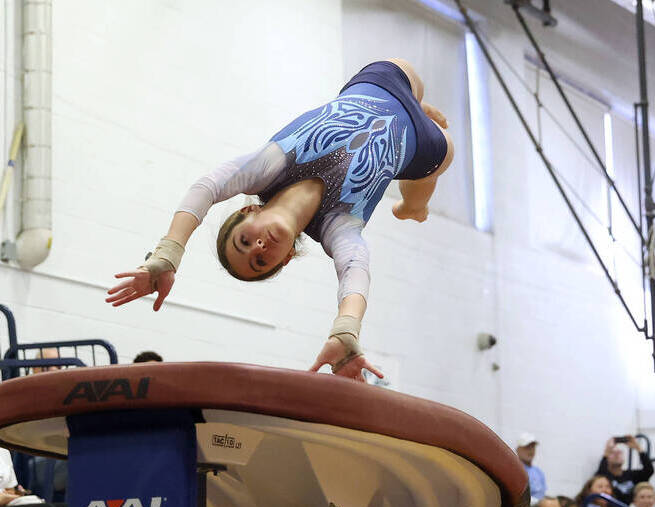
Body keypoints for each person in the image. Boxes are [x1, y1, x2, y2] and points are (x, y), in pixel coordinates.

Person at [106, 58, 455, 381]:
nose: (258, 247)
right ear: (287, 257)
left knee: (408, 72)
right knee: (434, 170)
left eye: (244, 241)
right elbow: (355, 271)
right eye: (260, 261)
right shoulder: (339, 226)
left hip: (382, 81)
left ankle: (416, 108)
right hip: (421, 145)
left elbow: (207, 187)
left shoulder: (269, 168)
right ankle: (413, 205)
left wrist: (168, 254)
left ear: (248, 211)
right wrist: (346, 330)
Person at [594, 436, 654, 506]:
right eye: (612, 453)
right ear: (607, 457)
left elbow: (649, 470)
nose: (617, 454)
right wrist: (607, 451)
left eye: (619, 452)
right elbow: (600, 474)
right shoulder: (604, 477)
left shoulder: (631, 475)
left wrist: (638, 448)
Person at [516, 433, 546, 506]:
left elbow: (542, 494)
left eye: (532, 447)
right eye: (527, 447)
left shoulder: (539, 472)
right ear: (518, 449)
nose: (530, 451)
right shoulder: (515, 470)